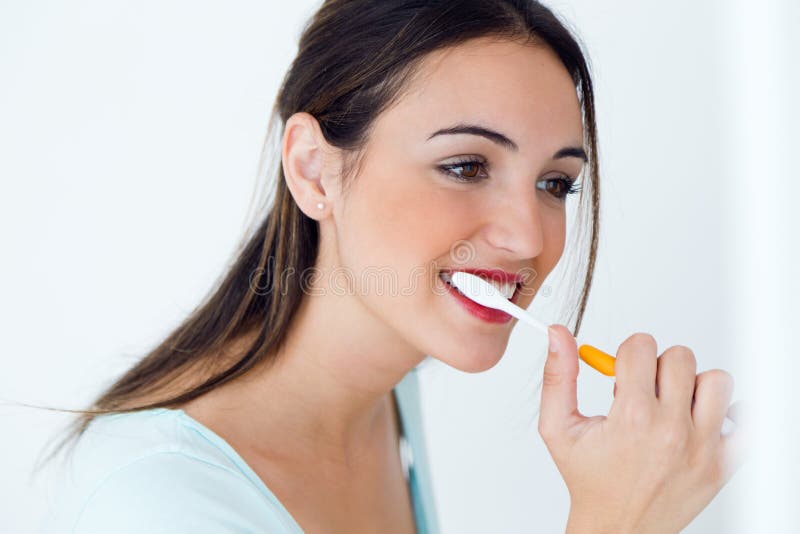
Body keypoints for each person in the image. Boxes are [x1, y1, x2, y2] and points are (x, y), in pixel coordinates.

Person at [38, 1, 744, 532]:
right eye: (466, 166)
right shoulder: (154, 502)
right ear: (314, 171)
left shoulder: (387, 398)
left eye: (555, 184)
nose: (528, 234)